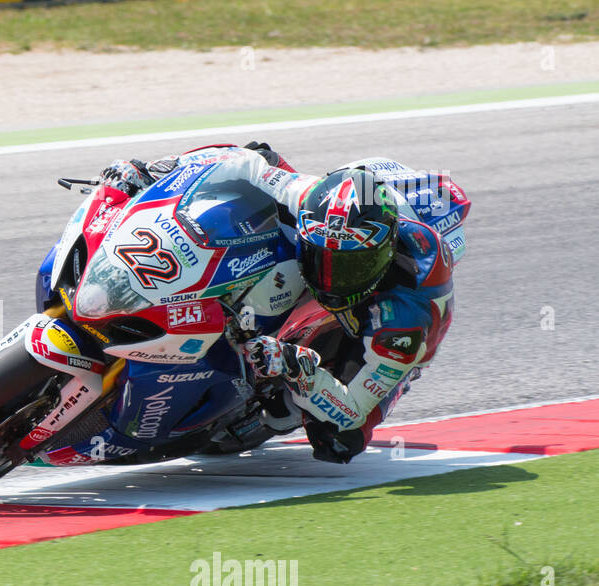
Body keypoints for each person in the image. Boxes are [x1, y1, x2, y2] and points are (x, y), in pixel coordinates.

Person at [99, 142, 461, 463]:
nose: (332, 277)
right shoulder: (303, 196)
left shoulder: (406, 317)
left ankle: (268, 408)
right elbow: (241, 162)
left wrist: (298, 369)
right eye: (323, 257)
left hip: (378, 319)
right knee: (260, 152)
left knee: (338, 438)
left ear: (382, 253)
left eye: (351, 263)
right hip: (349, 201)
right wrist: (154, 171)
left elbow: (351, 410)